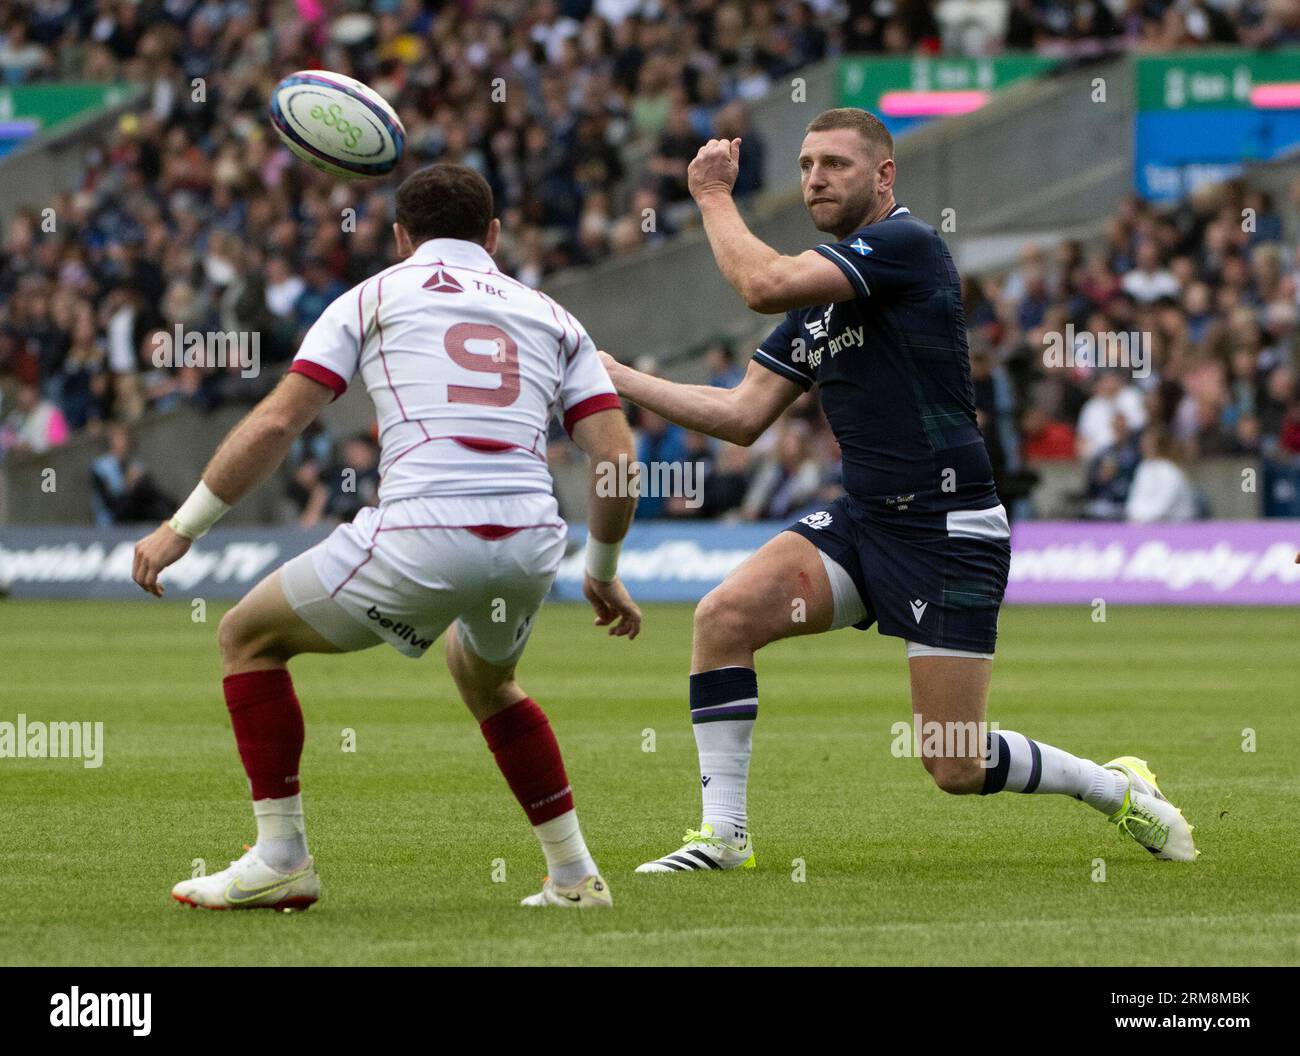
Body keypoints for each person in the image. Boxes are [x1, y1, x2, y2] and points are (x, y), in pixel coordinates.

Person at [601, 108, 1197, 873]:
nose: (815, 177)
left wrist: (714, 196)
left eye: (836, 165)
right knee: (723, 616)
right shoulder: (820, 297)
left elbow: (760, 282)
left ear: (884, 176)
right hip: (865, 519)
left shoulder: (905, 246)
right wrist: (617, 378)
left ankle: (1113, 788)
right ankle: (724, 837)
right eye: (808, 163)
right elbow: (741, 414)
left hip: (947, 528)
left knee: (954, 763)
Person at [132, 164, 642, 911]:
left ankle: (281, 858)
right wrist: (601, 568)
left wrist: (183, 528)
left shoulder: (373, 295)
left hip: (424, 529)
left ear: (401, 237)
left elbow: (278, 422)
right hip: (532, 539)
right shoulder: (555, 315)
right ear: (494, 235)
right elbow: (618, 461)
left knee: (245, 636)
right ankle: (574, 877)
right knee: (487, 679)